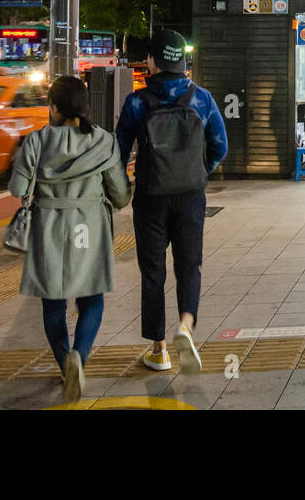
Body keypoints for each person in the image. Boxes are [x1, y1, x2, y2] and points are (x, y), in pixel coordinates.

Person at [9, 76, 131, 402]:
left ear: (53, 107)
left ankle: (65, 362)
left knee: (53, 303)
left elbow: (18, 189)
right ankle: (80, 354)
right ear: (85, 106)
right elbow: (120, 195)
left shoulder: (36, 141)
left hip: (48, 226)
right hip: (88, 227)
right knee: (92, 299)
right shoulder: (103, 141)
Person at [116, 29, 227, 374]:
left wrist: (123, 187)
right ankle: (186, 326)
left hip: (150, 197)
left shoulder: (137, 102)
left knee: (153, 273)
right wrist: (199, 171)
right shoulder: (203, 99)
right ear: (182, 60)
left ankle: (159, 350)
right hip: (191, 196)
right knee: (188, 265)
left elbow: (117, 153)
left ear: (152, 60)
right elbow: (220, 146)